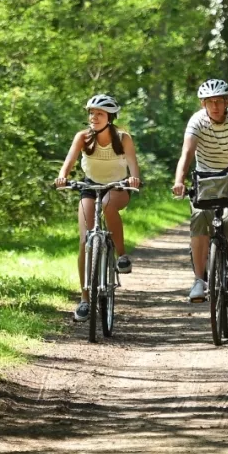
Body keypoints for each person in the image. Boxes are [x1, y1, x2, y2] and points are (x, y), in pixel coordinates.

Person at [171, 79, 228, 305]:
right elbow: (187, 153)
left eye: (219, 101)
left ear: (226, 102)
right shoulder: (197, 121)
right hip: (207, 181)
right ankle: (198, 280)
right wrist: (179, 181)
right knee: (199, 218)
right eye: (209, 102)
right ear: (203, 104)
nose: (214, 106)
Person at [54, 93, 142, 322]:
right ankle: (84, 299)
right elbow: (69, 162)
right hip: (89, 186)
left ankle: (122, 256)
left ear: (110, 117)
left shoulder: (123, 138)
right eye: (91, 113)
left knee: (108, 206)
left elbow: (133, 164)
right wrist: (62, 177)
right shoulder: (83, 137)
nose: (94, 117)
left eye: (99, 114)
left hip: (118, 186)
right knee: (84, 242)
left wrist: (134, 179)